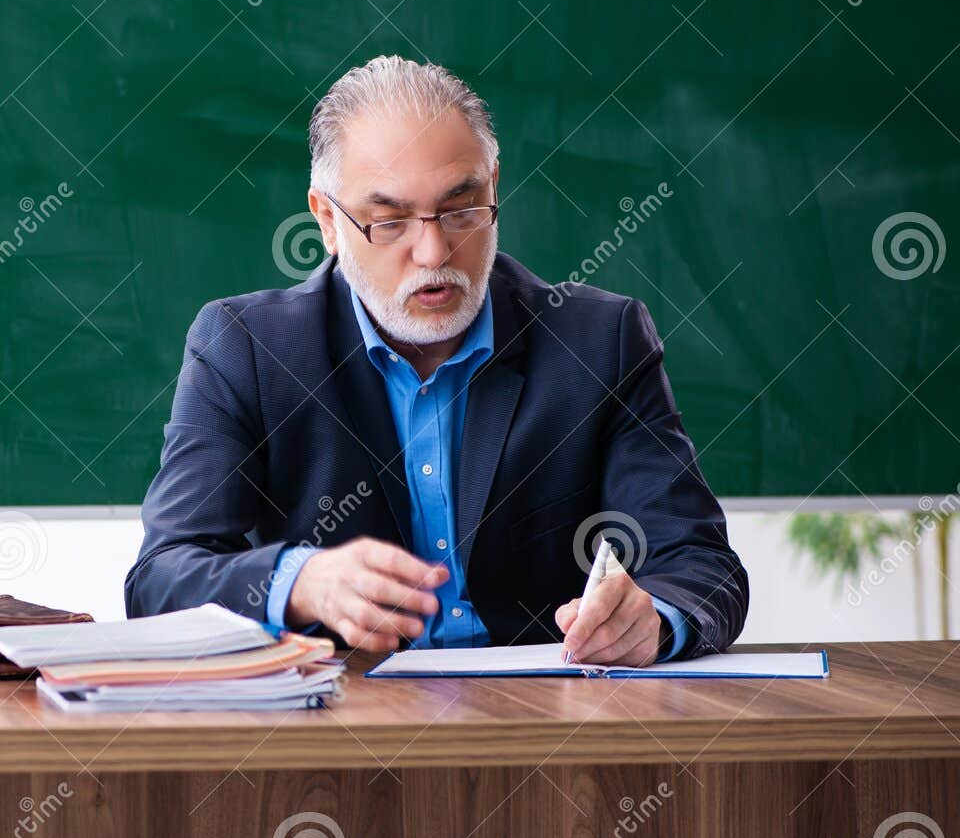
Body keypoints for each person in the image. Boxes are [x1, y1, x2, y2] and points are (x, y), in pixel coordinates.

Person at [123, 55, 747, 664]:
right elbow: (161, 578)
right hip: (342, 716)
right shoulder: (246, 348)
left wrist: (655, 619)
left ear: (494, 186)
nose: (434, 252)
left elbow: (701, 565)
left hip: (543, 715)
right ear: (328, 221)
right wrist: (299, 580)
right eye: (389, 221)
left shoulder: (600, 341)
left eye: (460, 210)